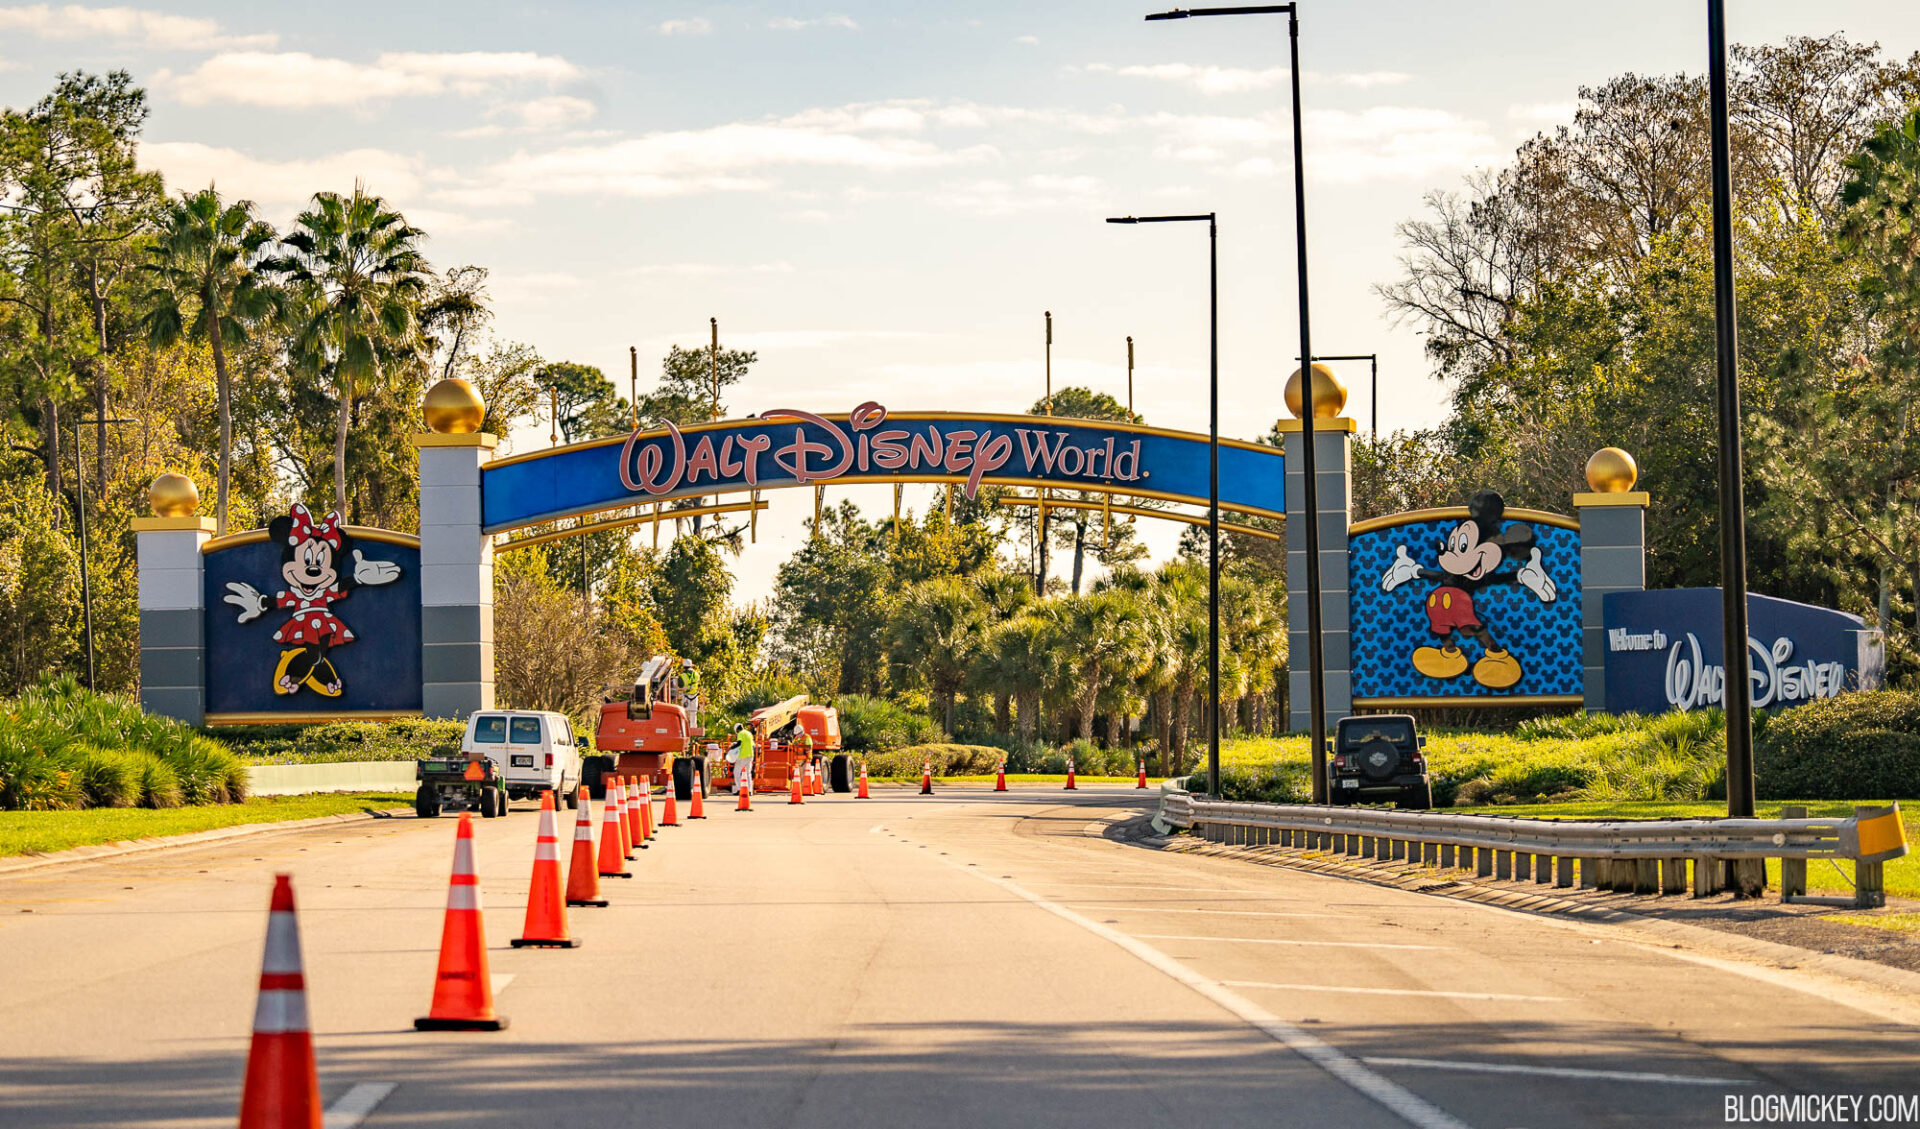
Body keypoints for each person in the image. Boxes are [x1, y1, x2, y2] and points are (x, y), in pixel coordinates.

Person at [730, 722, 754, 792]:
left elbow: (739, 743)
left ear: (737, 730)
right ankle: (749, 791)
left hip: (742, 756)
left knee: (736, 772)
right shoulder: (749, 734)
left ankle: (739, 789)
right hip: (750, 755)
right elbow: (752, 745)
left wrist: (731, 748)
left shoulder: (740, 733)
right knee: (748, 773)